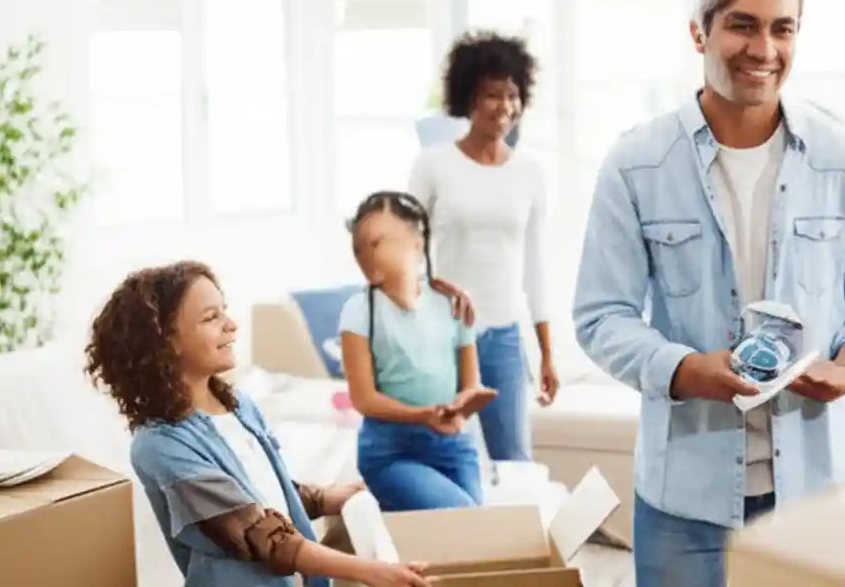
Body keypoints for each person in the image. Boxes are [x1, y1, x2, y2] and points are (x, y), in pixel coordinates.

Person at [572, 0, 845, 587]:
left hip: (823, 493)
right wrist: (686, 370)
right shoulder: (636, 164)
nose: (764, 49)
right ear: (698, 31)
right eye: (742, 25)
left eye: (782, 28)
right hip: (683, 501)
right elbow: (600, 315)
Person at [84, 261, 431, 587]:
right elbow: (263, 535)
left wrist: (325, 498)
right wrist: (373, 573)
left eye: (225, 311)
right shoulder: (160, 446)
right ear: (166, 341)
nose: (231, 325)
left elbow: (263, 493)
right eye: (210, 317)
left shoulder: (239, 406)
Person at [407, 31, 558, 462]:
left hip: (504, 339)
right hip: (442, 335)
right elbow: (407, 252)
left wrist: (546, 353)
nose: (504, 107)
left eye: (512, 95)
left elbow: (535, 269)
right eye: (493, 94)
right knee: (450, 454)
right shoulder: (433, 164)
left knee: (514, 460)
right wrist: (432, 286)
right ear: (468, 97)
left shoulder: (530, 172)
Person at [340, 191, 497, 512]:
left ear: (417, 242)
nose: (366, 254)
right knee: (464, 519)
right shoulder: (359, 311)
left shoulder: (452, 304)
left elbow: (470, 383)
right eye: (359, 247)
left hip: (454, 447)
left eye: (377, 241)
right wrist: (423, 416)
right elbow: (364, 399)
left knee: (476, 535)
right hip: (391, 453)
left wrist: (463, 404)